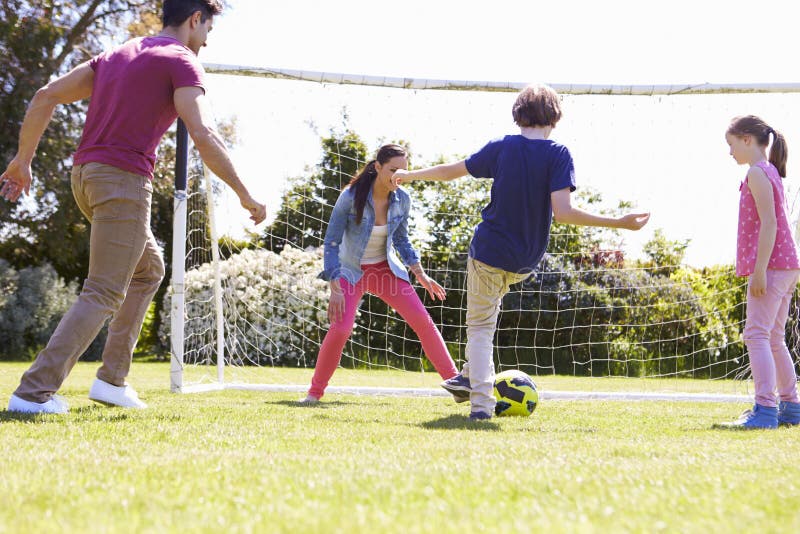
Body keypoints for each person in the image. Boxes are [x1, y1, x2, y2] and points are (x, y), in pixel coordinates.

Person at [0, 0, 266, 414]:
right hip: (122, 183)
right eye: (208, 31)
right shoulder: (181, 60)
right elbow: (203, 132)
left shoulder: (118, 53)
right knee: (104, 290)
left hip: (85, 178)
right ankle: (32, 394)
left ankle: (111, 380)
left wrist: (23, 161)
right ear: (195, 19)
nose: (207, 42)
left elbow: (45, 95)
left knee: (148, 270)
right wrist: (245, 194)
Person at [393, 84, 650, 420]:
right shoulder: (559, 154)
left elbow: (449, 172)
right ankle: (470, 376)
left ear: (518, 114)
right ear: (555, 117)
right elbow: (564, 213)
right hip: (525, 261)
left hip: (489, 252)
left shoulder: (504, 147)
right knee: (488, 314)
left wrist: (409, 175)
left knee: (481, 328)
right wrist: (619, 222)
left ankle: (481, 405)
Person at [300, 144, 461, 404]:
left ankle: (456, 385)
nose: (399, 176)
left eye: (403, 171)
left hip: (384, 269)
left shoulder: (403, 199)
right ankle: (314, 393)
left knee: (422, 320)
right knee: (340, 328)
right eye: (393, 169)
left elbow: (401, 240)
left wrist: (420, 274)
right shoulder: (350, 196)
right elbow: (331, 242)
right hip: (349, 271)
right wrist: (335, 287)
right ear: (377, 167)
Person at [715, 115, 800, 429]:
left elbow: (770, 224)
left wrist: (760, 270)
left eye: (732, 144)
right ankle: (791, 408)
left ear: (747, 139)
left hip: (773, 265)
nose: (730, 152)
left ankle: (765, 411)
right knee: (774, 338)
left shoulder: (756, 173)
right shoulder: (771, 172)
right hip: (788, 265)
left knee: (756, 335)